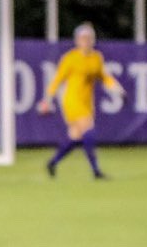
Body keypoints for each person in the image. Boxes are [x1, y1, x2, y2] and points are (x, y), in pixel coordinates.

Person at [37, 22, 125, 180]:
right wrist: (47, 100)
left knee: (75, 137)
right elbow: (57, 80)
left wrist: (119, 90)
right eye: (83, 38)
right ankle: (96, 171)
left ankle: (52, 162)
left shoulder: (96, 58)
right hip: (72, 102)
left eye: (89, 38)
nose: (86, 41)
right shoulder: (70, 58)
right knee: (89, 130)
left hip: (86, 103)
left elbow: (104, 77)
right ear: (77, 40)